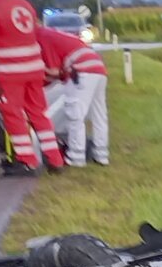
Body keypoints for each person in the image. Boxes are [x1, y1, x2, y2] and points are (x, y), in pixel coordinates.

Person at [0, 0, 63, 172]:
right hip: (35, 68)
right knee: (38, 113)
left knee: (13, 114)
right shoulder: (23, 3)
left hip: (12, 72)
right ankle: (55, 160)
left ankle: (26, 161)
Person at [36, 22, 110, 167]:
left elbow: (53, 71)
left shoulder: (41, 38)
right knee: (99, 115)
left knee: (75, 114)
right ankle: (101, 155)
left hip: (80, 72)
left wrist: (37, 85)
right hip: (98, 69)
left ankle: (76, 157)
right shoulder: (53, 34)